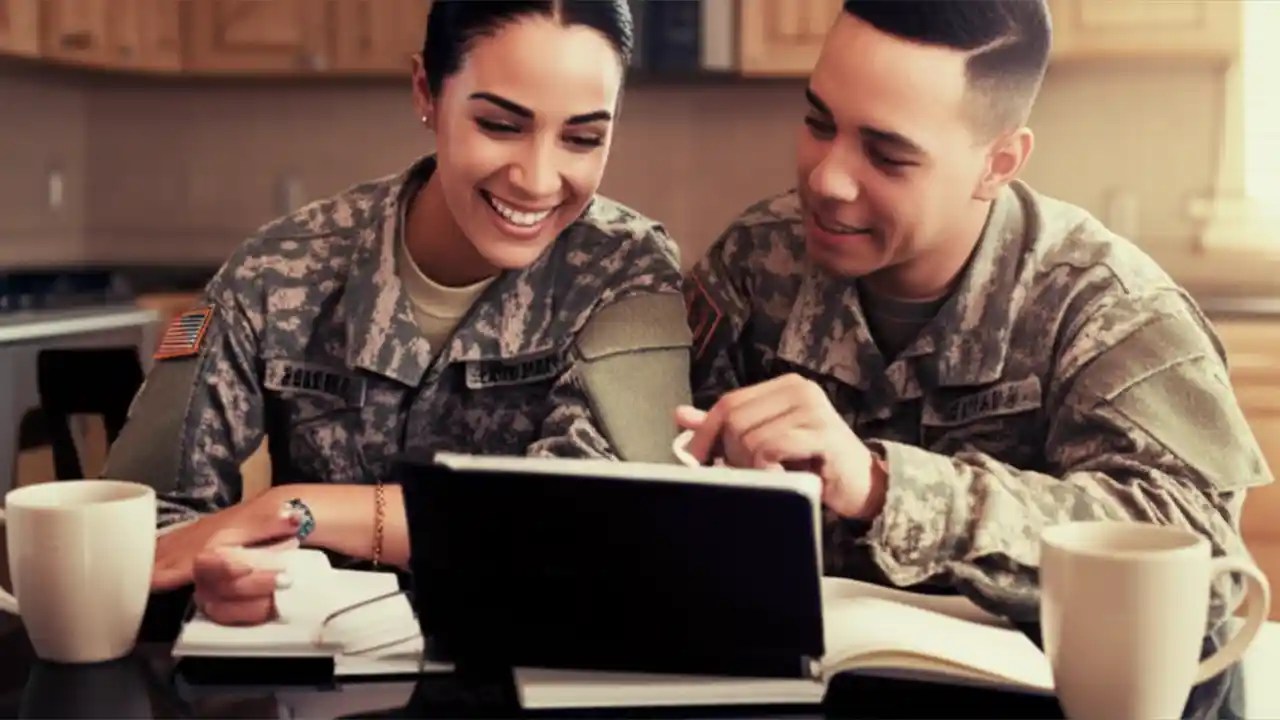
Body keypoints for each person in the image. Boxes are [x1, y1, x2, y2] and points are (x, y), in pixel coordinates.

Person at [678, 1, 1266, 714]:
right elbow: (663, 474)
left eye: (888, 154)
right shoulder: (756, 260)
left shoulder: (1110, 307)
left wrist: (885, 488)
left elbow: (1203, 565)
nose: (828, 178)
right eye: (818, 123)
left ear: (998, 163)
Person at [104, 0, 692, 627]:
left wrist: (297, 509)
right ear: (427, 92)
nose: (539, 179)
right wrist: (220, 584)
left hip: (530, 671)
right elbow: (140, 524)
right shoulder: (280, 272)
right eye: (500, 125)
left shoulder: (628, 269)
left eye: (583, 138)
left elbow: (601, 517)